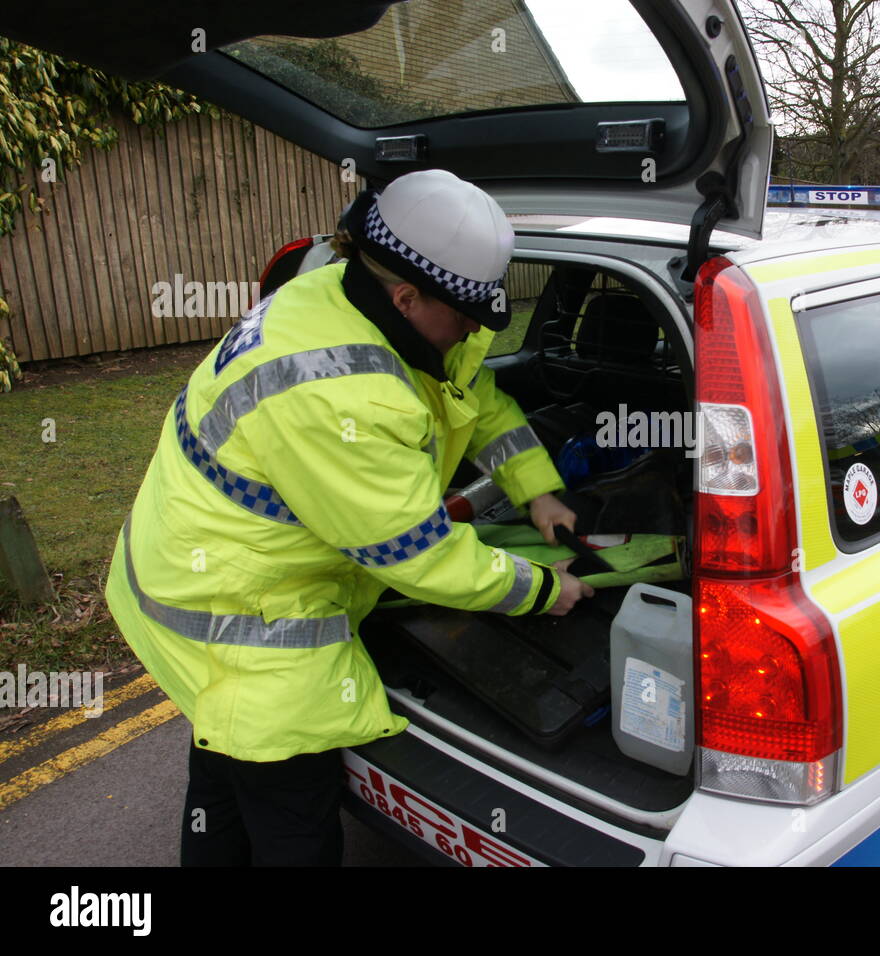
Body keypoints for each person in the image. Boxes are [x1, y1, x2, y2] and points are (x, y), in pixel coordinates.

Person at [104, 169, 594, 866]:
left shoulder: (336, 299)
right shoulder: (340, 393)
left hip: (192, 563)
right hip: (245, 618)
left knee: (221, 767)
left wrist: (538, 490)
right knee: (286, 800)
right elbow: (421, 557)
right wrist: (547, 589)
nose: (469, 333)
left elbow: (474, 397)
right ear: (406, 295)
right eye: (466, 317)